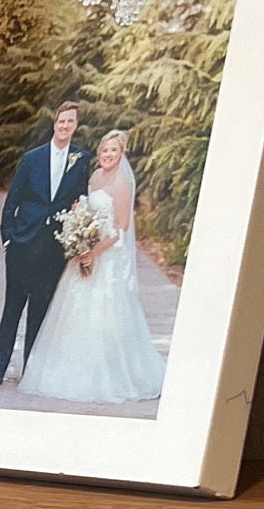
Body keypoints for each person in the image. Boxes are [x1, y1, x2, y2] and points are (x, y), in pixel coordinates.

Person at [19, 129, 168, 408]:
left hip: (105, 258)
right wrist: (78, 235)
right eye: (104, 150)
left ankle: (110, 375)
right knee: (71, 313)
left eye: (113, 150)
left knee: (102, 316)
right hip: (83, 254)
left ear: (121, 153)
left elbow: (121, 228)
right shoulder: (96, 176)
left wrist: (94, 252)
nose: (107, 155)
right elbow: (87, 212)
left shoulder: (123, 184)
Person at [0, 101, 94, 388]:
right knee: (12, 308)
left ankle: (29, 372)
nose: (65, 125)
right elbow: (13, 200)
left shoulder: (81, 159)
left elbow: (80, 201)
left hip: (53, 249)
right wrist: (8, 235)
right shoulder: (32, 159)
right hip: (22, 243)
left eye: (71, 122)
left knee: (40, 311)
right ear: (54, 123)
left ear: (75, 126)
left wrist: (77, 238)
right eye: (62, 120)